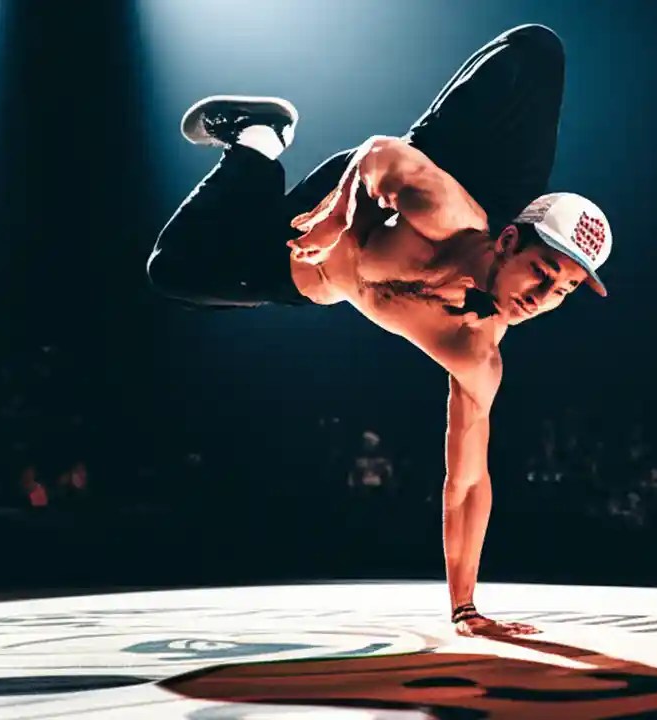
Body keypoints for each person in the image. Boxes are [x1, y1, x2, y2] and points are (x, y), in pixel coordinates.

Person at [144, 25, 612, 638]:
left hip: (307, 277)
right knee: (540, 48)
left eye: (563, 291)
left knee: (173, 272)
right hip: (339, 212)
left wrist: (466, 609)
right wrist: (338, 217)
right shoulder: (452, 215)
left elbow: (468, 482)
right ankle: (290, 156)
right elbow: (379, 153)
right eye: (543, 273)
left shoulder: (475, 351)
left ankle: (258, 140)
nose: (543, 296)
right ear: (506, 241)